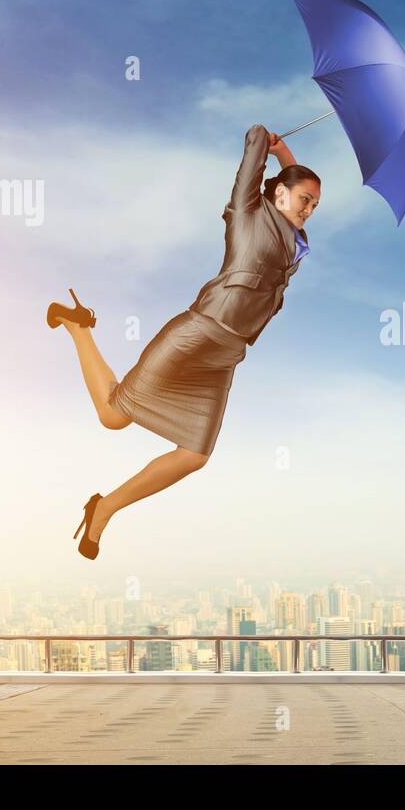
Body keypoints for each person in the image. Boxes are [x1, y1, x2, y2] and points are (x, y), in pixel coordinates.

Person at [47, 124, 321, 559]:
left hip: (225, 357)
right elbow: (253, 155)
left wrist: (289, 156)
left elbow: (296, 186)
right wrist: (265, 142)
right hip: (195, 335)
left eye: (315, 204)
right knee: (112, 417)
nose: (310, 210)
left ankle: (105, 509)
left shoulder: (294, 245)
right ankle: (80, 328)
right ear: (279, 194)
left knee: (194, 455)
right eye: (306, 200)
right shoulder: (249, 213)